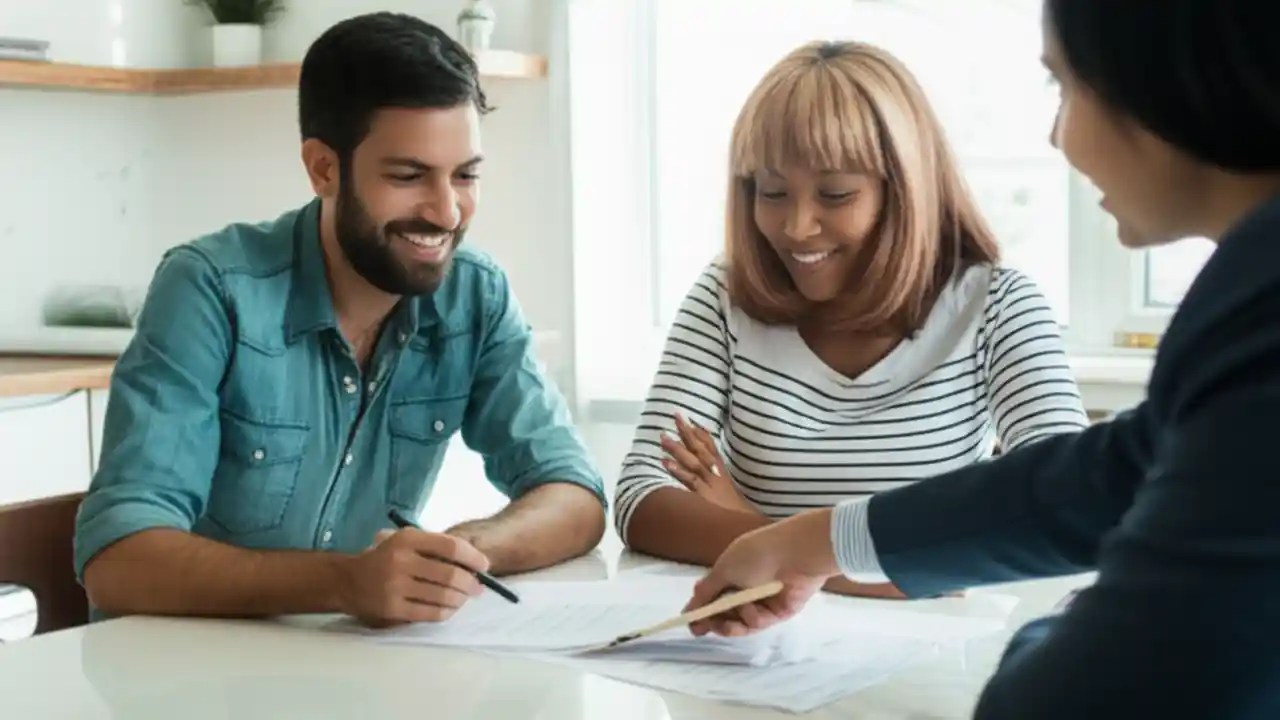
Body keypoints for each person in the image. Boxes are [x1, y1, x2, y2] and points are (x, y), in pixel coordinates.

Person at [684, 1, 1280, 717]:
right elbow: (1105, 476)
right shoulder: (1249, 286)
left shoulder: (1260, 315)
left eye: (1065, 87)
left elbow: (1080, 692)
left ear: (1161, 80)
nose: (1057, 135)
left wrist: (1045, 636)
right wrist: (816, 541)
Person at [73, 12, 606, 627]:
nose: (447, 211)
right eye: (408, 176)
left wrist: (458, 555)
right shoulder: (210, 288)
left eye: (466, 175)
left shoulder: (474, 294)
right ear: (323, 168)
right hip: (179, 675)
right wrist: (343, 583)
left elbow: (575, 496)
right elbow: (119, 560)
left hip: (341, 669)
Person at [614, 40, 1088, 598]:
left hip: (925, 663)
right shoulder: (724, 297)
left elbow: (1068, 509)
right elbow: (641, 500)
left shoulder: (997, 306)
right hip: (751, 647)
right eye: (772, 192)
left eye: (835, 194)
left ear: (906, 191)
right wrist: (902, 568)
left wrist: (768, 543)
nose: (796, 226)